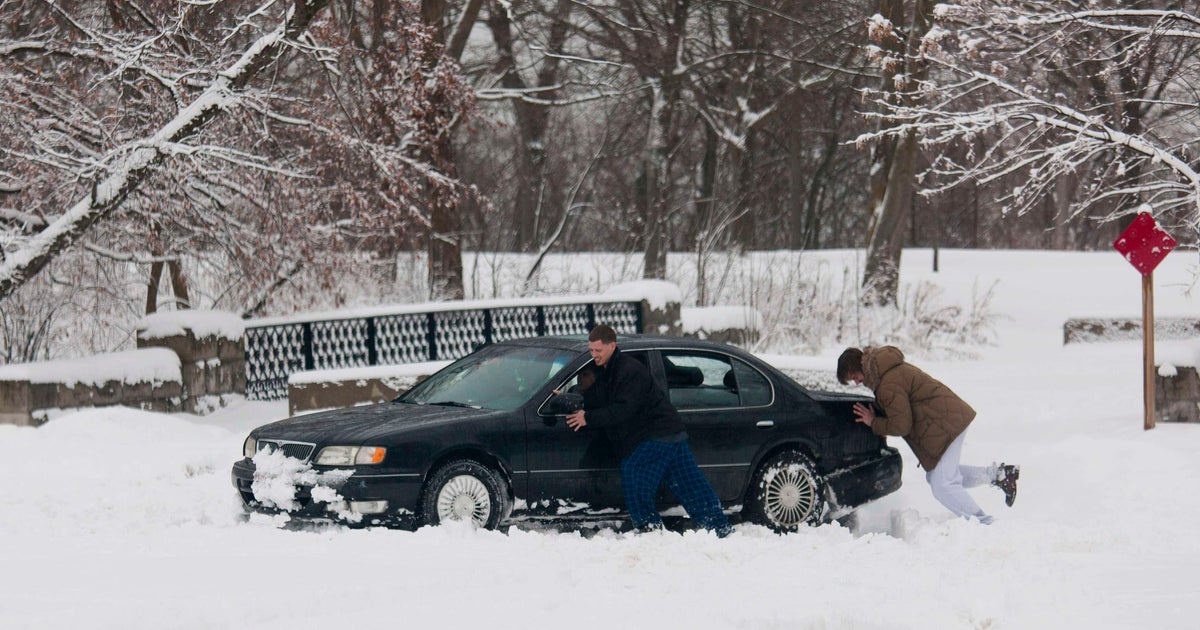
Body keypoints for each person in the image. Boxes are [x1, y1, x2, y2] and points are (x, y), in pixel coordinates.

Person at [565, 325, 733, 537]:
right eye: (591, 351)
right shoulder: (610, 370)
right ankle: (719, 528)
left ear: (612, 346)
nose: (594, 355)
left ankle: (649, 531)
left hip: (657, 434)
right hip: (668, 433)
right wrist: (573, 398)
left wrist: (587, 418)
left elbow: (622, 409)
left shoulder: (629, 370)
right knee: (689, 484)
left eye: (598, 350)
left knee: (634, 474)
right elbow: (600, 396)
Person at [837, 346, 1019, 524]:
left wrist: (873, 422)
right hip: (945, 421)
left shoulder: (887, 383)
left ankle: (984, 523)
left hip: (946, 424)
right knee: (938, 477)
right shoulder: (886, 372)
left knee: (942, 485)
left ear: (859, 366)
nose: (857, 383)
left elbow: (901, 425)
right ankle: (999, 475)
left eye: (854, 377)